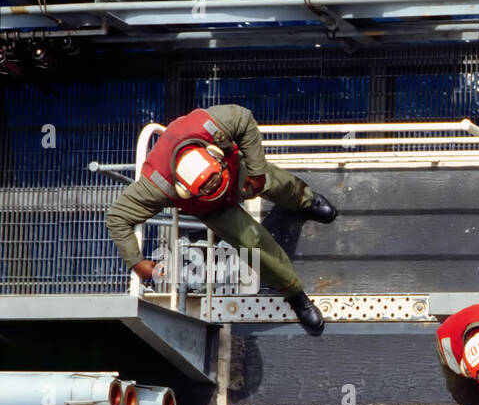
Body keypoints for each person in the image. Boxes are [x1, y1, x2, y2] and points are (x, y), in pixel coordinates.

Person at [105, 104, 336, 335]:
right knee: (251, 245)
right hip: (210, 208)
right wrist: (136, 262)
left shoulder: (207, 125)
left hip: (232, 173)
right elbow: (118, 217)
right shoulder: (157, 185)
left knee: (273, 181)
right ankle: (293, 293)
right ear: (182, 190)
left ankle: (306, 200)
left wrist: (256, 172)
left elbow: (244, 118)